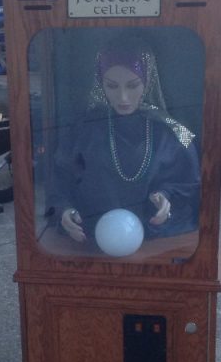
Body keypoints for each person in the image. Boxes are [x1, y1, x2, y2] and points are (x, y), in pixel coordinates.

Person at [51, 34, 201, 246]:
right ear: (100, 83)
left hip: (154, 241)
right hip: (93, 238)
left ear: (147, 81)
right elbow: (61, 180)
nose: (123, 98)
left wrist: (166, 197)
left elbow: (190, 182)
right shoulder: (83, 131)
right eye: (112, 86)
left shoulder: (172, 131)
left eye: (132, 86)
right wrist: (65, 210)